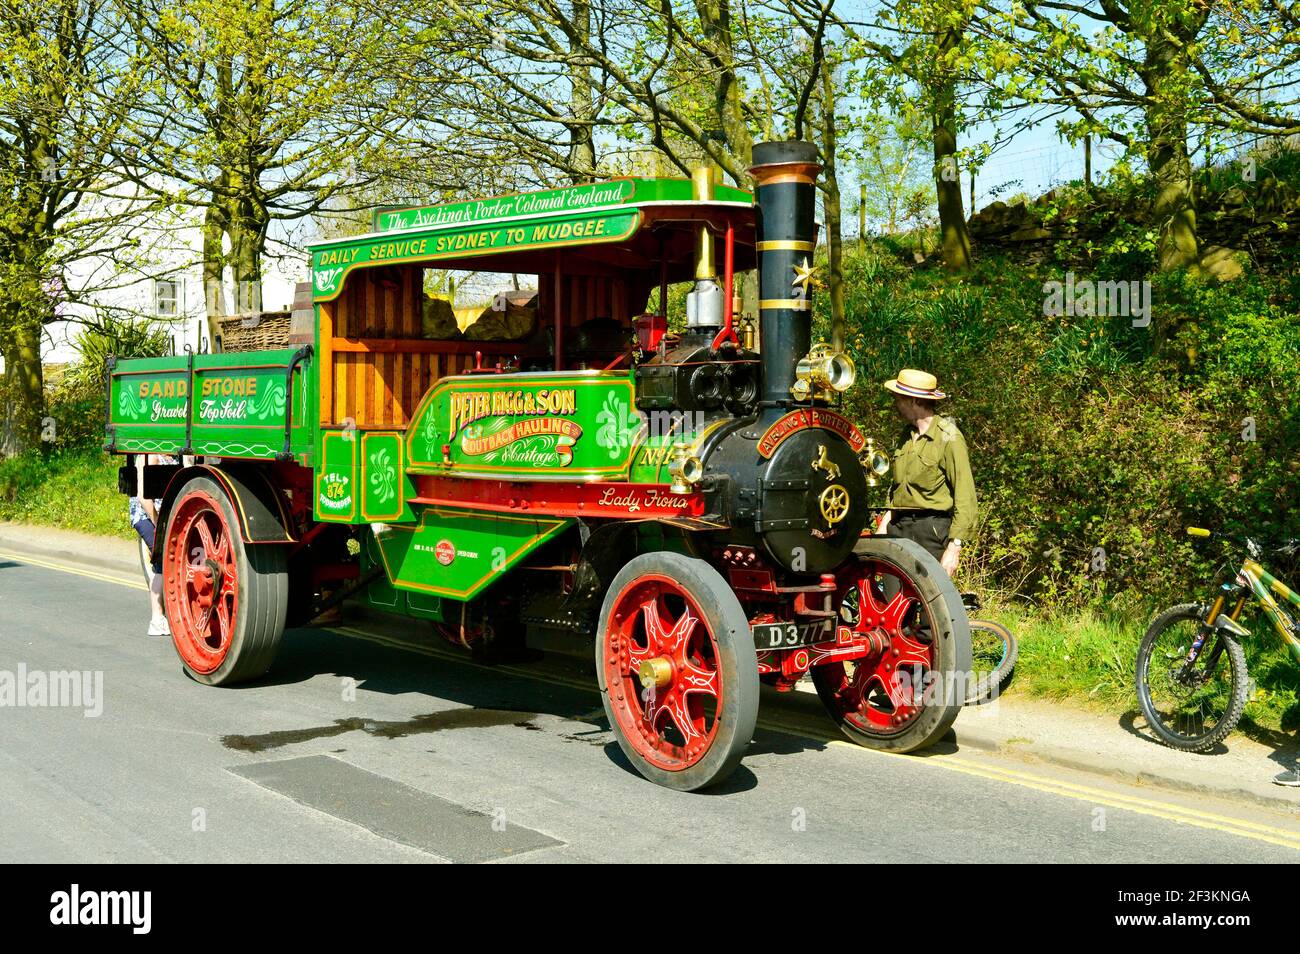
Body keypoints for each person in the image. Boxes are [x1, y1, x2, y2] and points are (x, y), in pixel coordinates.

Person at [875, 368, 977, 578]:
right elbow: (898, 488)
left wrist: (954, 547)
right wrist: (884, 527)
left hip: (931, 532)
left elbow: (965, 495)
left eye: (899, 398)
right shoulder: (906, 435)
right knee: (894, 605)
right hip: (898, 530)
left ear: (915, 401)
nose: (895, 404)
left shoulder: (949, 437)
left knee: (930, 605)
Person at [129, 453, 171, 636]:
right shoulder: (150, 456)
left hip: (164, 517)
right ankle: (156, 620)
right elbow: (142, 497)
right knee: (161, 560)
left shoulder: (174, 457)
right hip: (146, 516)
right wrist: (158, 525)